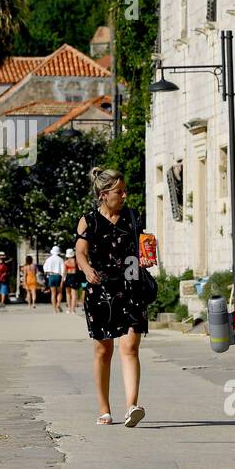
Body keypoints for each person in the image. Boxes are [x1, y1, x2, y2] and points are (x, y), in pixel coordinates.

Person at [76, 167, 149, 428]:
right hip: (101, 291)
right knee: (103, 350)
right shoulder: (89, 220)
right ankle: (104, 409)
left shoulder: (133, 216)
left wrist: (148, 255)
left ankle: (132, 406)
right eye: (119, 191)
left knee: (130, 346)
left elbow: (144, 245)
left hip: (132, 288)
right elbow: (80, 253)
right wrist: (86, 270)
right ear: (104, 194)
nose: (125, 195)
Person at [42, 245, 65, 313]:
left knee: (53, 293)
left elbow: (45, 269)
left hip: (51, 276)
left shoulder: (49, 259)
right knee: (60, 292)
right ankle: (58, 304)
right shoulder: (61, 259)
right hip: (58, 276)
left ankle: (55, 309)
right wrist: (63, 279)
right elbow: (63, 270)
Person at [63, 248, 83, 314]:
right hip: (74, 277)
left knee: (68, 294)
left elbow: (64, 272)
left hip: (68, 277)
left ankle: (69, 309)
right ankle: (73, 309)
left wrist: (62, 280)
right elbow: (80, 269)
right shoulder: (76, 261)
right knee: (74, 294)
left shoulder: (65, 262)